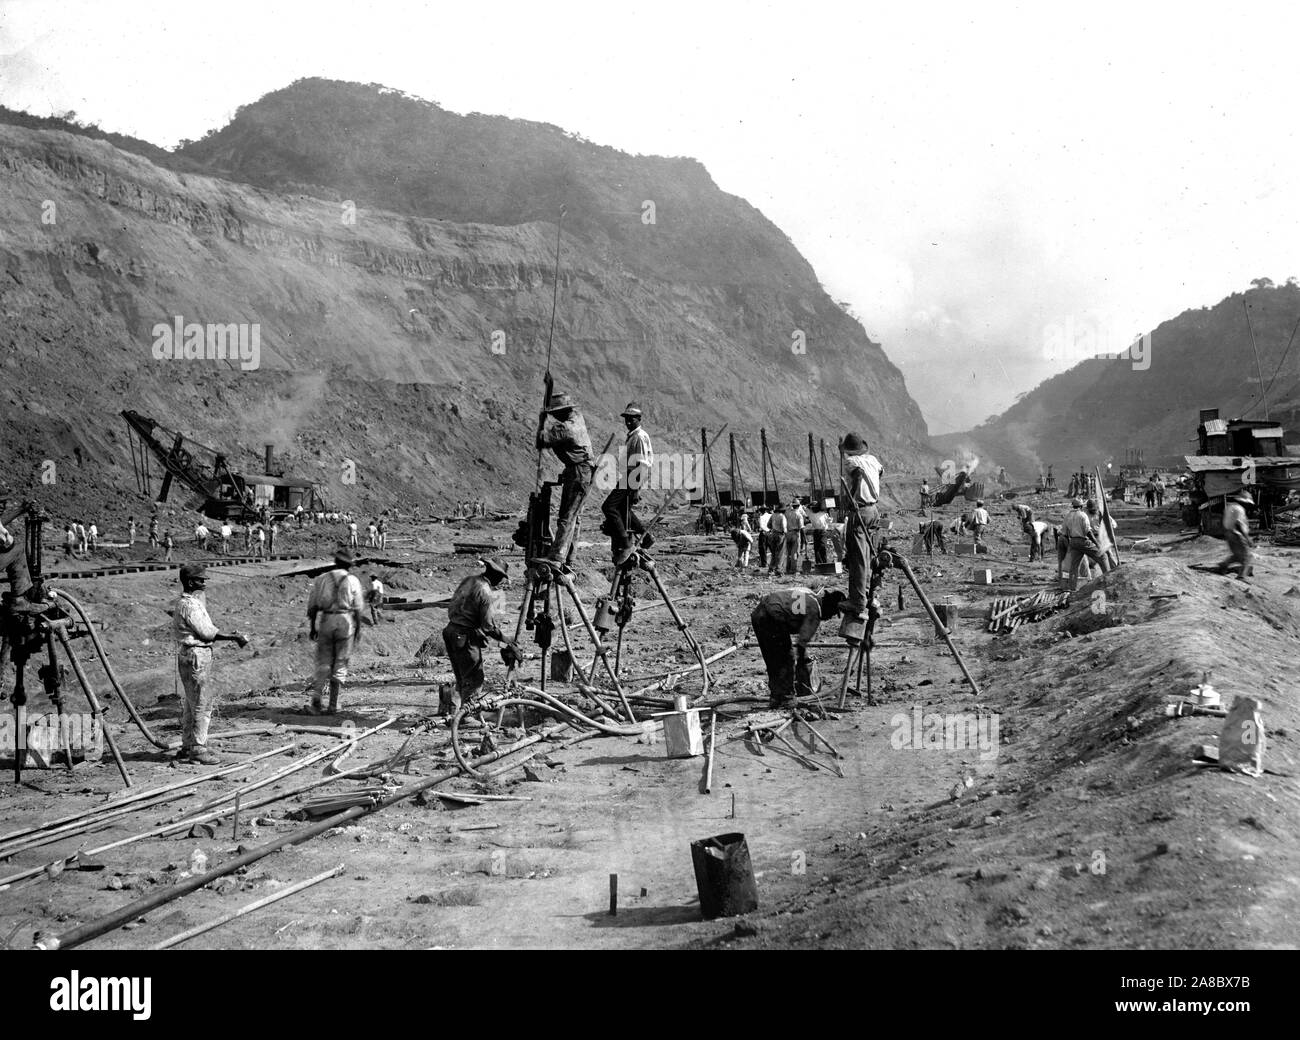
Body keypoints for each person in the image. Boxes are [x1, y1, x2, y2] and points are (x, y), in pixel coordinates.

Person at [171, 563, 249, 765]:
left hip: (189, 654)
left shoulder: (187, 603)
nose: (203, 583)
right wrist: (234, 637)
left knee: (191, 703)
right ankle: (197, 748)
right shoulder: (190, 605)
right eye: (200, 580)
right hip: (196, 655)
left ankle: (188, 745)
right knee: (201, 704)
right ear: (190, 582)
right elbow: (207, 632)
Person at [441, 557, 519, 716]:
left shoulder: (469, 580)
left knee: (462, 676)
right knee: (474, 677)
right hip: (464, 636)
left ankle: (460, 712)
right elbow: (488, 626)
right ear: (496, 575)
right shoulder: (486, 592)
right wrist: (506, 639)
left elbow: (461, 607)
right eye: (501, 578)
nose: (500, 582)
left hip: (451, 630)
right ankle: (467, 716)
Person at [750, 586, 846, 708]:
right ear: (829, 607)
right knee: (787, 659)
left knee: (772, 659)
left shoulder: (810, 595)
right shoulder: (815, 612)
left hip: (759, 612)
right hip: (774, 616)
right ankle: (787, 699)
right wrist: (802, 666)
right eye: (832, 613)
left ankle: (776, 697)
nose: (829, 617)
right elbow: (801, 645)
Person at [536, 389, 595, 566]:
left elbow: (541, 441)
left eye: (556, 414)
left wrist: (542, 421)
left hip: (579, 472)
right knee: (575, 516)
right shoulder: (578, 418)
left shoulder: (565, 428)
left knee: (567, 516)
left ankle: (557, 556)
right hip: (582, 470)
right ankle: (569, 556)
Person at [307, 547, 366, 715]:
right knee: (340, 661)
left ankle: (316, 700)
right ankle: (333, 704)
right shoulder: (353, 580)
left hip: (326, 619)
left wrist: (313, 627)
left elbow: (312, 605)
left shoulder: (322, 579)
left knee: (324, 661)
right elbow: (358, 609)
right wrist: (358, 630)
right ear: (349, 565)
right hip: (345, 620)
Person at [602, 402, 653, 567]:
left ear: (639, 419)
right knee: (623, 510)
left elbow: (643, 464)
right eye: (627, 419)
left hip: (633, 476)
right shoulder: (633, 436)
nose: (628, 421)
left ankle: (626, 544)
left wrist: (636, 488)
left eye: (632, 419)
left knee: (609, 507)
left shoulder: (639, 437)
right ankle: (645, 537)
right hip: (629, 476)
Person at [840, 433, 882, 621]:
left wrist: (854, 497)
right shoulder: (872, 460)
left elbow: (857, 475)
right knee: (869, 554)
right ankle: (868, 594)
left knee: (858, 557)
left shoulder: (852, 462)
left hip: (860, 511)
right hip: (874, 510)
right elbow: (880, 472)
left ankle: (857, 601)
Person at [1061, 497, 1106, 591]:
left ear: (1073, 506)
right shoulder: (1082, 515)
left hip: (1073, 542)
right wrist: (1097, 544)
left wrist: (1070, 545)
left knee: (1074, 567)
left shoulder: (1067, 516)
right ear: (1081, 506)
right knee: (1103, 557)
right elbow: (1088, 532)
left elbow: (1064, 533)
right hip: (1083, 541)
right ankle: (1108, 581)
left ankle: (1072, 588)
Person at [1217, 490, 1254, 579]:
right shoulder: (1239, 509)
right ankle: (1241, 576)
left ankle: (1223, 565)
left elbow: (1223, 520)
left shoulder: (1229, 506)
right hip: (1236, 534)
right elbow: (1239, 524)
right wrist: (1247, 538)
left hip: (1228, 532)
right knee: (1247, 556)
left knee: (1237, 555)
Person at [1085, 499, 1117, 572]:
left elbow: (1113, 524)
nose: (1092, 511)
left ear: (1096, 507)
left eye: (1093, 509)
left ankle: (1115, 569)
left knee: (1109, 553)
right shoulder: (1086, 515)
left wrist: (1109, 528)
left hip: (1102, 536)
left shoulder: (1101, 514)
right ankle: (1092, 571)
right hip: (1091, 537)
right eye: (1090, 509)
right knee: (1092, 555)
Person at [783, 500, 804, 575]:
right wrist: (804, 539)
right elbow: (801, 527)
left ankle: (787, 569)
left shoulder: (787, 513)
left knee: (788, 552)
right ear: (798, 506)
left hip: (787, 533)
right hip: (795, 533)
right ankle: (793, 569)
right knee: (794, 552)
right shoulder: (799, 515)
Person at [767, 503, 787, 575]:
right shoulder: (782, 517)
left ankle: (771, 568)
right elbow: (784, 528)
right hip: (780, 535)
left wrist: (773, 528)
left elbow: (768, 525)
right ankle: (778, 569)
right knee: (780, 553)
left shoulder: (773, 515)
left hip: (773, 534)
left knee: (774, 553)